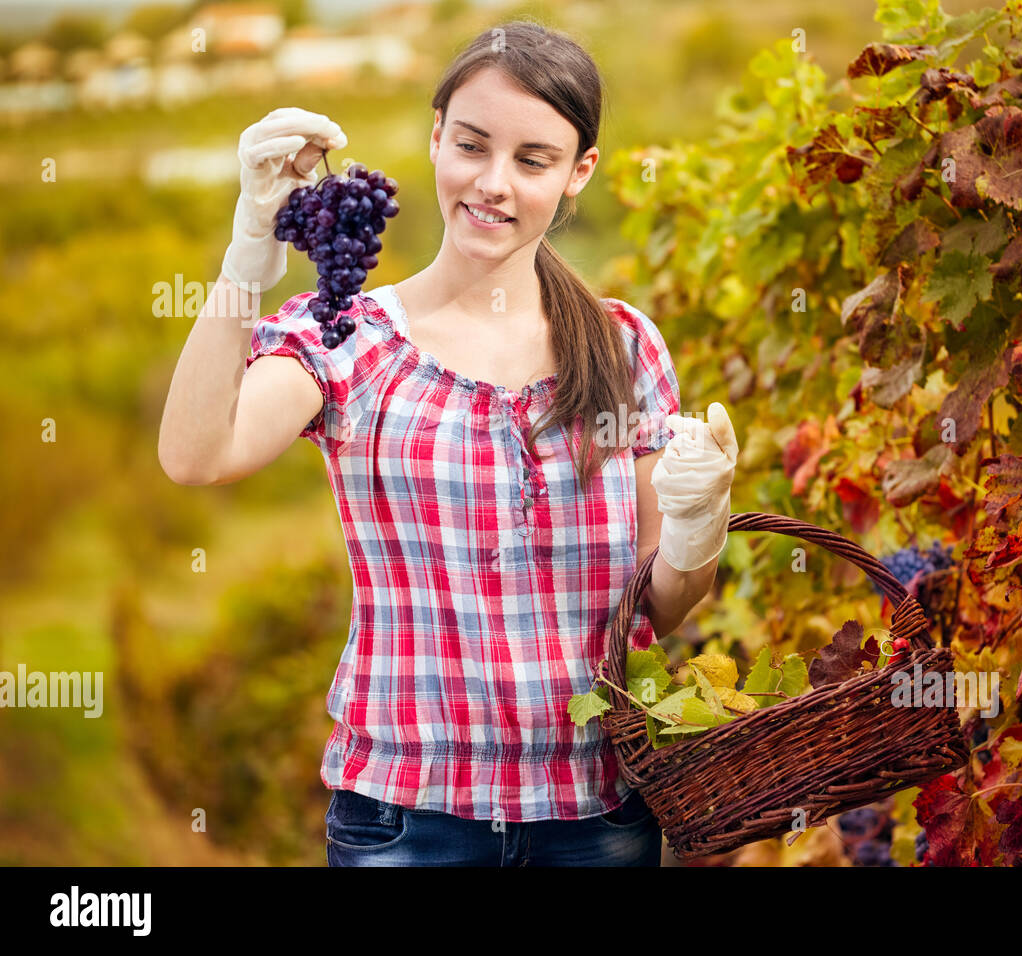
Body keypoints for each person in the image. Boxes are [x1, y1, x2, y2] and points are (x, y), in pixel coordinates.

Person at [157, 20, 740, 867]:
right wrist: (247, 255)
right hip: (406, 819)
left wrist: (699, 523)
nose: (493, 184)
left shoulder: (622, 347)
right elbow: (196, 453)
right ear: (435, 137)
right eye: (471, 145)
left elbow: (665, 603)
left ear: (579, 174)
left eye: (534, 160)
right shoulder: (346, 336)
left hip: (598, 816)